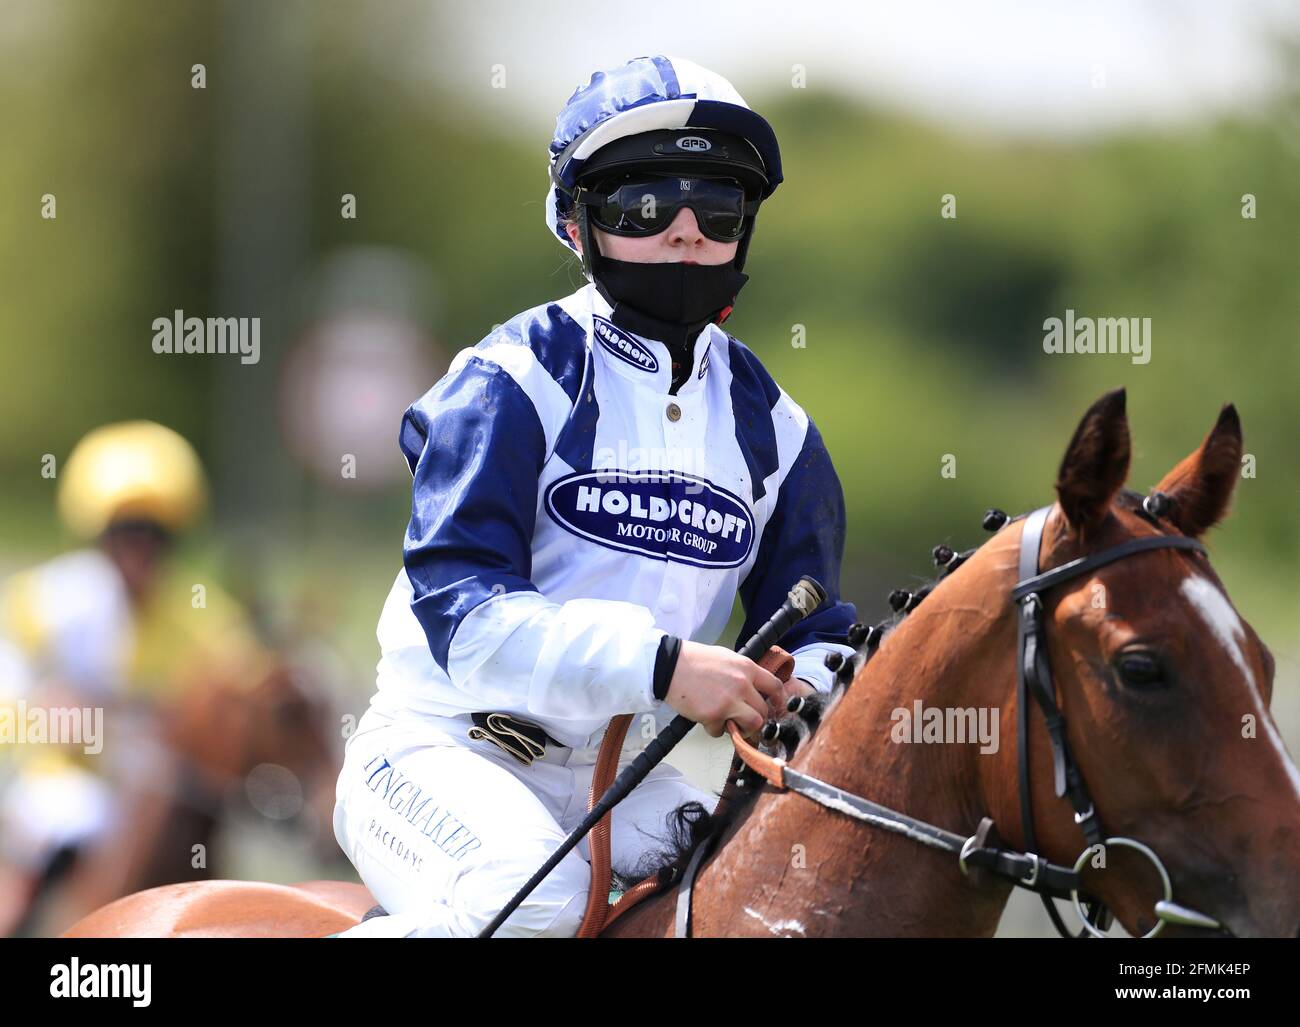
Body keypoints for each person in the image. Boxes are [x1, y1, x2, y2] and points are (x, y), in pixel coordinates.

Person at [332, 55, 858, 938]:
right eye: (648, 205)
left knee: (781, 901)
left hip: (626, 778)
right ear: (577, 224)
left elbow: (819, 634)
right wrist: (665, 665)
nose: (686, 232)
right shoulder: (507, 380)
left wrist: (799, 683)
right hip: (442, 749)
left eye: (718, 207)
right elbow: (465, 619)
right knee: (540, 911)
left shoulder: (783, 430)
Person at [0, 421, 269, 934]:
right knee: (71, 816)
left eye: (156, 534)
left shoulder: (206, 616)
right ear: (99, 537)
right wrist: (44, 716)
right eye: (125, 533)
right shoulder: (44, 604)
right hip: (66, 783)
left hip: (164, 796)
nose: (140, 548)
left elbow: (253, 696)